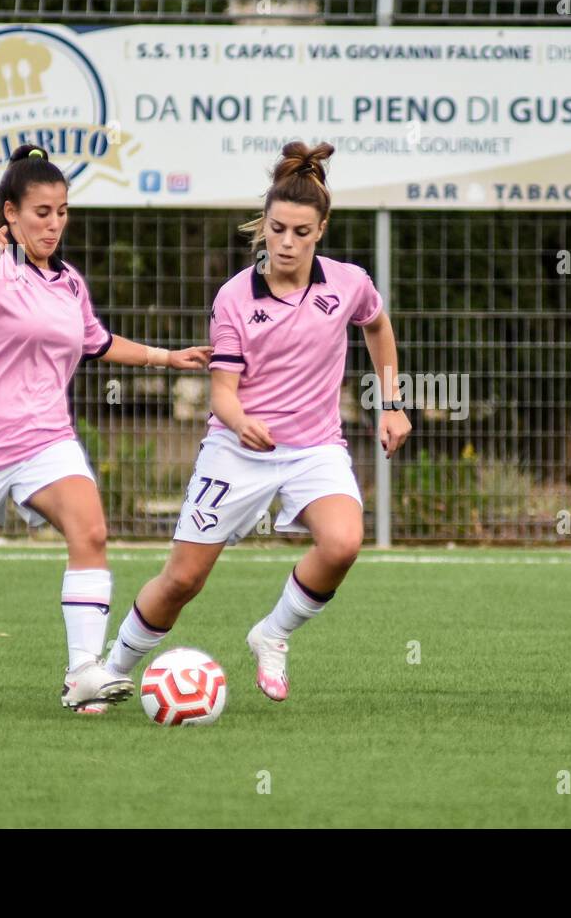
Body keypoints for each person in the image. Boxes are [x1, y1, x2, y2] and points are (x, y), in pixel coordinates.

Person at [0, 144, 210, 716]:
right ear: (10, 213)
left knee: (92, 532)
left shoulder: (68, 282)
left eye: (61, 211)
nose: (54, 224)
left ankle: (82, 672)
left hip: (45, 440)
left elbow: (96, 342)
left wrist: (166, 358)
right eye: (41, 212)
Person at [103, 141, 412, 702]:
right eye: (276, 229)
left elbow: (378, 326)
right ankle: (112, 666)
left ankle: (272, 635)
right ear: (263, 227)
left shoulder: (347, 283)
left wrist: (391, 402)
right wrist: (242, 420)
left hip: (315, 449)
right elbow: (221, 392)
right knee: (183, 580)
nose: (286, 242)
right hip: (237, 450)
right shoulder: (234, 298)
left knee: (343, 544)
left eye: (299, 231)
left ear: (321, 230)